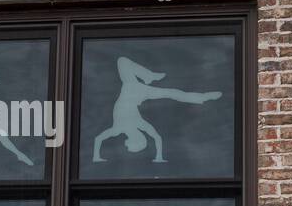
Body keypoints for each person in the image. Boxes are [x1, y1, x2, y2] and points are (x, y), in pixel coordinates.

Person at [92, 55, 221, 163]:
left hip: (133, 91)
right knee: (171, 93)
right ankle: (203, 97)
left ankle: (203, 97)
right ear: (133, 139)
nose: (126, 143)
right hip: (133, 91)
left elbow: (156, 138)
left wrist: (159, 157)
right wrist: (159, 157)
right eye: (129, 144)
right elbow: (156, 137)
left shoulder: (123, 128)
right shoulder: (129, 127)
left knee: (171, 93)